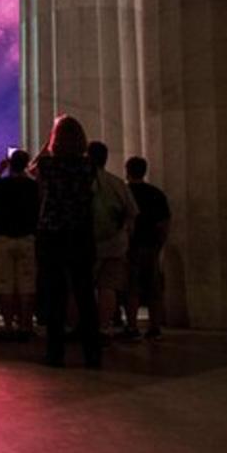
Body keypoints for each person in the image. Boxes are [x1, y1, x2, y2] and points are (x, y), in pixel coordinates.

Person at [32, 115, 101, 368]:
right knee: (85, 295)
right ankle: (92, 354)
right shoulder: (88, 166)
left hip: (52, 233)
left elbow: (32, 169)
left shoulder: (48, 166)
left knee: (55, 295)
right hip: (81, 232)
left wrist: (49, 144)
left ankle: (55, 353)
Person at [0, 149, 40, 342]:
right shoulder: (32, 186)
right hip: (26, 237)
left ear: (9, 163)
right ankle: (26, 326)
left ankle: (8, 327)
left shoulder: (0, 185)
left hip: (3, 239)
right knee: (27, 285)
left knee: (5, 285)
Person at [88, 141, 138, 343]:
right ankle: (103, 327)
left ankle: (81, 325)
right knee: (107, 287)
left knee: (81, 286)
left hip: (86, 243)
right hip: (114, 244)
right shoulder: (117, 184)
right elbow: (132, 214)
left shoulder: (82, 181)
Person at [122, 156, 171, 341]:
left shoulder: (125, 193)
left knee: (132, 288)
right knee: (153, 289)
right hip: (151, 245)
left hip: (131, 246)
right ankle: (155, 327)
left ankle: (132, 326)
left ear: (127, 170)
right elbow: (164, 223)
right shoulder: (156, 194)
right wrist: (159, 244)